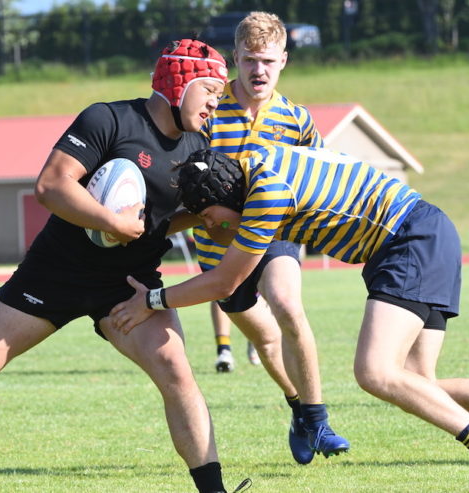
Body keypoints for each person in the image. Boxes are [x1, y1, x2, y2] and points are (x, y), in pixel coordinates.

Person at [0, 39, 249, 493]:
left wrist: (215, 217)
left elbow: (168, 218)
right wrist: (111, 221)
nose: (217, 100)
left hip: (129, 284)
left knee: (176, 370)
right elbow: (52, 185)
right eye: (210, 88)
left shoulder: (197, 144)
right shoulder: (107, 119)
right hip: (56, 272)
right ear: (179, 82)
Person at [110, 145, 469, 492]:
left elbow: (224, 284)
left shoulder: (266, 196)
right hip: (424, 232)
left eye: (211, 216)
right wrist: (125, 225)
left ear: (226, 196)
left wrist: (152, 300)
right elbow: (207, 210)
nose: (211, 226)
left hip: (407, 241)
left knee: (375, 373)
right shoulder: (247, 164)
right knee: (417, 383)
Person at [197, 11, 349, 465]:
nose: (257, 71)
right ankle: (298, 408)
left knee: (286, 304)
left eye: (266, 60)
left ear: (283, 60)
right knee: (264, 341)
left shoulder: (297, 120)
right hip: (218, 248)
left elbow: (316, 179)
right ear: (234, 60)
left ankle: (319, 419)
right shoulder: (208, 111)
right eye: (248, 61)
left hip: (274, 235)